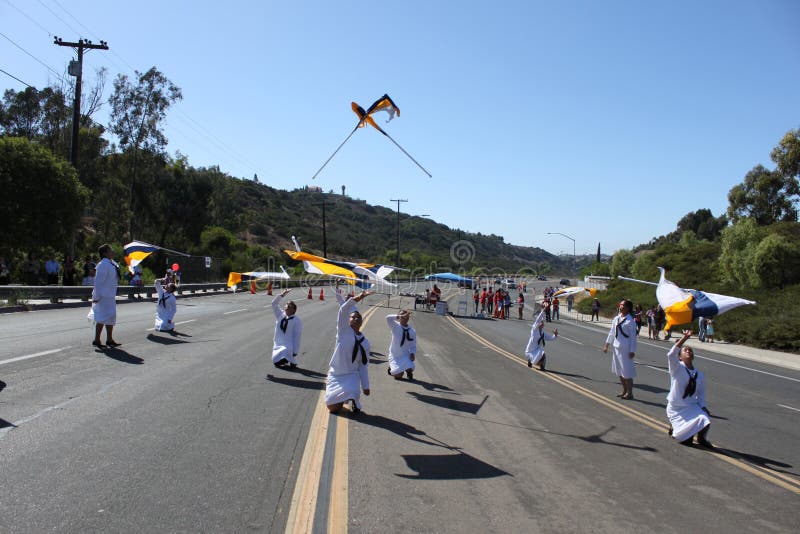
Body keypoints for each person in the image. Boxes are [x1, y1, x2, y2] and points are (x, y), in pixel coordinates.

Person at [325, 291, 372, 414]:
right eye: (353, 317)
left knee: (353, 391)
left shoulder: (365, 343)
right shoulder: (343, 330)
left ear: (361, 321)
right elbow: (343, 310)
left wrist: (366, 386)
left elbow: (363, 366)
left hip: (352, 375)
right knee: (332, 408)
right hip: (336, 374)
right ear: (348, 320)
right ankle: (345, 397)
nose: (356, 318)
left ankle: (355, 399)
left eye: (358, 317)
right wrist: (358, 298)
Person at [666, 330, 713, 448]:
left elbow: (701, 394)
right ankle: (675, 427)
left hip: (691, 406)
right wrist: (685, 338)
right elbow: (671, 355)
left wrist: (703, 407)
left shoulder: (699, 375)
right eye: (685, 350)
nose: (688, 351)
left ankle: (701, 438)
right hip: (676, 407)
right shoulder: (677, 368)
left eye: (690, 350)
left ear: (693, 356)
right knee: (686, 441)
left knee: (705, 418)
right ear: (680, 357)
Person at [603, 299, 637, 400]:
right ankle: (624, 390)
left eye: (623, 305)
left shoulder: (630, 321)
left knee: (626, 371)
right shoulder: (616, 318)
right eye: (620, 305)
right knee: (619, 371)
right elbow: (612, 332)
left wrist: (632, 351)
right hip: (617, 347)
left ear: (628, 308)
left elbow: (633, 337)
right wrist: (607, 345)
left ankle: (630, 393)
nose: (621, 307)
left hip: (626, 348)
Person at [90, 244, 120, 349]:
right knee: (101, 318)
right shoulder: (102, 265)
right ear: (105, 253)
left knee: (111, 317)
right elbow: (98, 282)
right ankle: (97, 340)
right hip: (103, 296)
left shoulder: (112, 263)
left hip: (110, 295)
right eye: (110, 250)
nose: (113, 251)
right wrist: (96, 297)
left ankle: (109, 339)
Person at [271, 288, 302, 367]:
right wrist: (282, 295)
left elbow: (297, 336)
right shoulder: (280, 315)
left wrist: (295, 351)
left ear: (294, 309)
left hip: (288, 345)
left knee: (285, 352)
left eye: (290, 305)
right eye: (287, 304)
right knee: (275, 362)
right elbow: (274, 304)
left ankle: (291, 360)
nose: (287, 306)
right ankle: (289, 360)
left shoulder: (297, 320)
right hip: (277, 344)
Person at [386, 310, 416, 380]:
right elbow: (388, 318)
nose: (403, 317)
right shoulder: (395, 325)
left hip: (405, 356)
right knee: (398, 376)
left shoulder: (412, 331)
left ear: (408, 318)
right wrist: (400, 316)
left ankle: (408, 371)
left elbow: (413, 345)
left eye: (405, 316)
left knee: (411, 367)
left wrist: (412, 353)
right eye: (401, 316)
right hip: (394, 356)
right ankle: (391, 367)